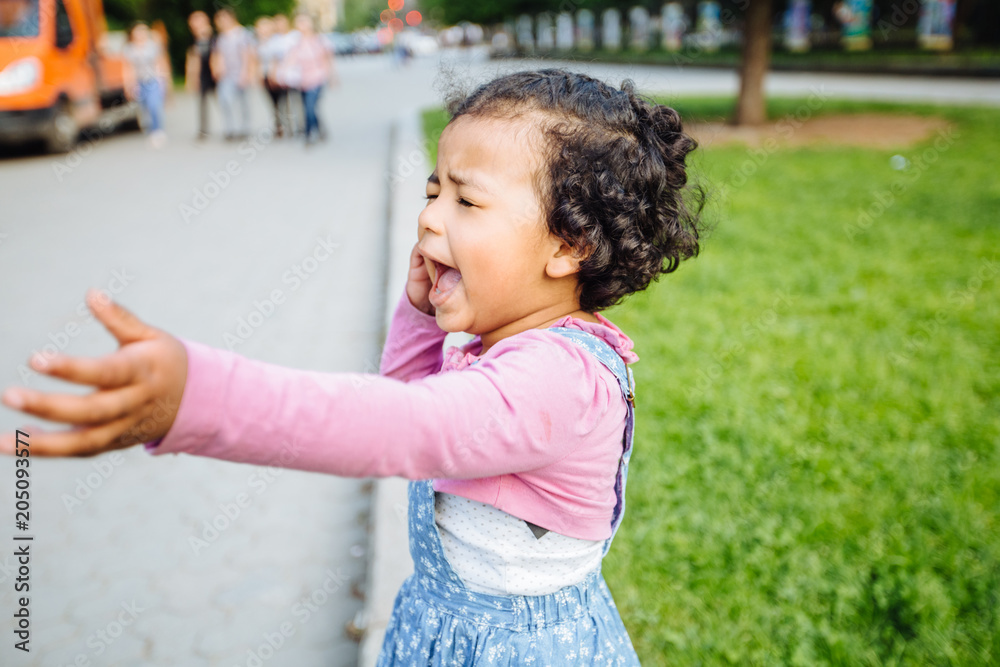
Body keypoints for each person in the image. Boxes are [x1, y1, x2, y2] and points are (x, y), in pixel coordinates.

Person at [0, 69, 704, 665]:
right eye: (434, 191)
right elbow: (401, 399)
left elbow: (397, 426)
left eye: (467, 199)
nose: (430, 218)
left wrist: (199, 397)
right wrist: (420, 312)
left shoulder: (559, 380)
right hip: (440, 632)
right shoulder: (496, 338)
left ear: (569, 243)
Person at [278, 13, 338, 145]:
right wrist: (282, 74)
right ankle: (320, 128)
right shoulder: (295, 42)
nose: (301, 25)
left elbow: (327, 60)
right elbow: (290, 60)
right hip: (302, 80)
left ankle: (309, 133)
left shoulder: (320, 40)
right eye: (298, 22)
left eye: (303, 22)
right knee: (308, 107)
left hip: (317, 78)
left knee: (310, 106)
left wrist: (332, 77)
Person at [122, 22, 170, 148]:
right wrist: (129, 85)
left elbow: (160, 62)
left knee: (153, 105)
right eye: (138, 31)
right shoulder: (129, 49)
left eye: (143, 31)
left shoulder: (153, 46)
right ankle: (150, 129)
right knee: (144, 107)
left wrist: (162, 79)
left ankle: (158, 130)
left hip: (153, 80)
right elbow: (128, 68)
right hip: (139, 81)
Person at [212, 7, 255, 140]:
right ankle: (229, 128)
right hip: (226, 75)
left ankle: (244, 127)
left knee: (242, 102)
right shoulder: (221, 36)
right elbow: (218, 54)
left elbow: (247, 54)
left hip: (239, 72)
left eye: (223, 18)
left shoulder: (241, 34)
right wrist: (218, 67)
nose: (221, 22)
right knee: (224, 100)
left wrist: (245, 72)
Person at [254, 16, 288, 137]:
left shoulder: (276, 41)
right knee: (273, 103)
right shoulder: (258, 43)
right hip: (264, 76)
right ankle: (278, 125)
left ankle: (285, 125)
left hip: (277, 76)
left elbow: (277, 59)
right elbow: (256, 61)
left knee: (282, 102)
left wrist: (274, 74)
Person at [185, 11, 216, 140]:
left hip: (214, 72)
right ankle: (203, 129)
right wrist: (191, 77)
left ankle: (233, 126)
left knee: (225, 100)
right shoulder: (194, 38)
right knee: (202, 102)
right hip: (202, 73)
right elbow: (192, 57)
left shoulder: (212, 35)